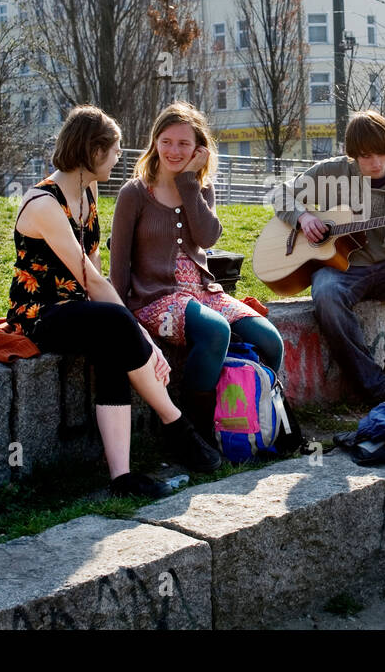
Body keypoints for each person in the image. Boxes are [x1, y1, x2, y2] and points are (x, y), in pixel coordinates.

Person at [7, 105, 221, 497]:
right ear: (93, 151)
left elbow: (95, 269)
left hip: (79, 309)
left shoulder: (87, 192)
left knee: (113, 343)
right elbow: (89, 278)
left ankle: (122, 478)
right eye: (114, 149)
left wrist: (134, 331)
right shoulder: (44, 204)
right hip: (41, 314)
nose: (120, 156)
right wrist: (146, 338)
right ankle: (176, 423)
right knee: (118, 325)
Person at [110, 102, 285, 442]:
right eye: (166, 141)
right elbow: (119, 262)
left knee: (269, 340)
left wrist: (188, 183)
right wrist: (121, 316)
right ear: (154, 142)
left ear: (198, 149)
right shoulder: (135, 193)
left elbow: (207, 237)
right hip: (155, 298)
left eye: (184, 144)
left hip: (204, 292)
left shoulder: (201, 188)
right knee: (215, 331)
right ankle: (194, 433)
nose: (174, 151)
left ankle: (249, 422)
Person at [273, 110, 385, 404]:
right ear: (353, 154)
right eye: (366, 156)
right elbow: (281, 194)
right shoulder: (332, 172)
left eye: (382, 153)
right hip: (342, 269)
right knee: (326, 295)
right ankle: (377, 389)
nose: (376, 162)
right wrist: (302, 217)